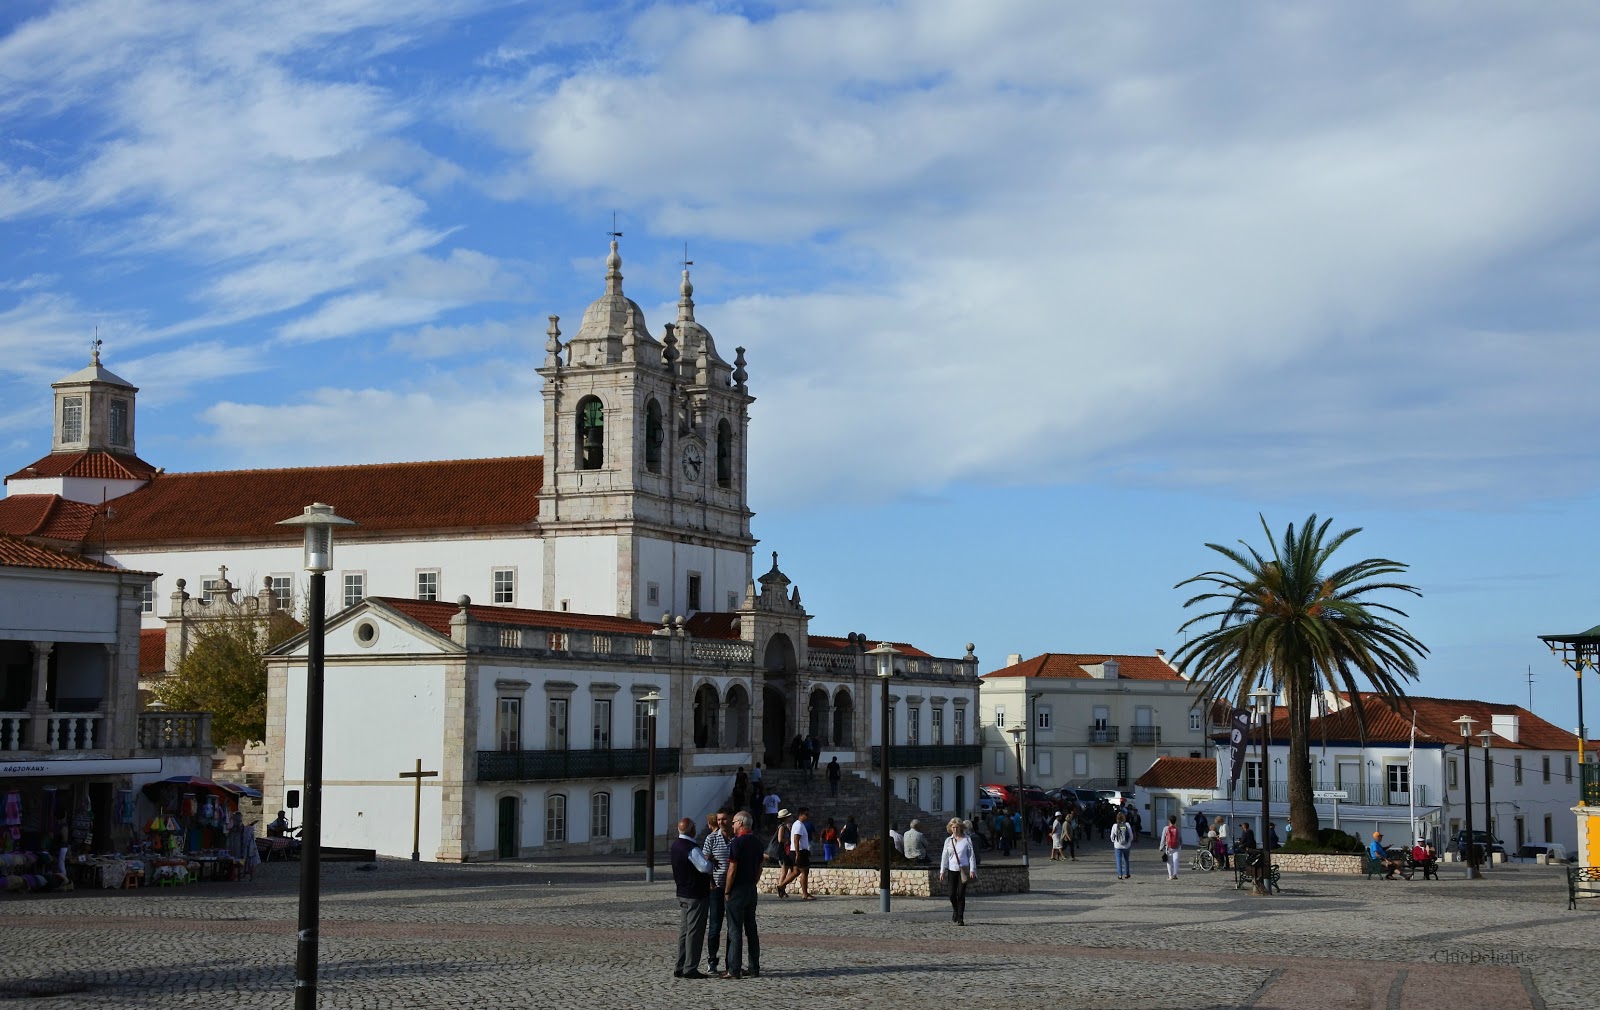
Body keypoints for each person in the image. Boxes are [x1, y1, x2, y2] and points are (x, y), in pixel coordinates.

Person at [722, 811, 762, 979]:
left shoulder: (737, 843)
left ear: (740, 823)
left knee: (735, 930)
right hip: (750, 889)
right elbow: (760, 867)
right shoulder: (758, 842)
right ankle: (754, 967)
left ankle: (734, 968)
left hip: (737, 890)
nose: (732, 825)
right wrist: (754, 882)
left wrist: (727, 890)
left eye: (734, 822)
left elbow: (732, 869)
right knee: (751, 930)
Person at [670, 817, 710, 979]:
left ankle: (680, 965)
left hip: (682, 892)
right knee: (694, 931)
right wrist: (711, 862)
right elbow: (704, 867)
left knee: (684, 931)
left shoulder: (676, 846)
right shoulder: (690, 847)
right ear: (691, 829)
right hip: (696, 893)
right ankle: (690, 967)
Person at [701, 811, 732, 977]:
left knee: (733, 928)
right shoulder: (711, 839)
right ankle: (712, 960)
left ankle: (731, 962)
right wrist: (711, 884)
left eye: (724, 819)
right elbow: (705, 863)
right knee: (714, 926)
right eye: (718, 819)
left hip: (734, 889)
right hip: (717, 889)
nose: (721, 822)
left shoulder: (736, 839)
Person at [938, 816, 978, 926]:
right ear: (950, 828)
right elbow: (944, 857)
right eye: (953, 827)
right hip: (952, 870)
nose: (955, 830)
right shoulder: (948, 841)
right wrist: (942, 871)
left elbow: (971, 856)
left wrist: (972, 869)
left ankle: (960, 917)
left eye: (957, 827)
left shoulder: (967, 839)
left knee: (960, 894)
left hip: (963, 870)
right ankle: (955, 910)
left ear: (961, 828)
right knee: (951, 894)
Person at [781, 807, 815, 899]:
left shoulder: (799, 824)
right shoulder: (799, 825)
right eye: (806, 814)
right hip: (799, 851)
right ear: (801, 815)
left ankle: (781, 886)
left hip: (798, 850)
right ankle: (804, 893)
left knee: (796, 871)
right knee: (805, 871)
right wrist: (797, 854)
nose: (808, 816)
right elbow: (796, 839)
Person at [1111, 811, 1134, 879]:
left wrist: (1114, 841)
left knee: (1119, 860)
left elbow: (1112, 836)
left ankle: (1120, 874)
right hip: (1126, 845)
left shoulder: (1115, 826)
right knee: (1126, 860)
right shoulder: (1127, 824)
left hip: (1118, 845)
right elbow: (1131, 835)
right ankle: (1127, 874)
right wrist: (1129, 841)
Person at [1160, 814, 1182, 880]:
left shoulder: (1166, 828)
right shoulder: (1177, 829)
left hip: (1169, 847)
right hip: (1177, 847)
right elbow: (1180, 838)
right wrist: (1180, 844)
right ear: (1175, 821)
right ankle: (1175, 874)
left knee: (1169, 862)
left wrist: (1161, 847)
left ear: (1169, 821)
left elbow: (1163, 838)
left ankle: (1170, 876)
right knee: (1176, 861)